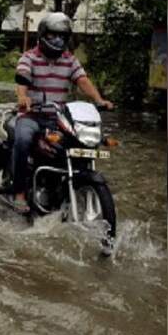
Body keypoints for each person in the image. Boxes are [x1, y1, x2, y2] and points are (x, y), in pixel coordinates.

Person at [10, 12, 113, 212]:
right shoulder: (29, 57)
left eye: (62, 36)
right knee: (22, 139)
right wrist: (23, 98)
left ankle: (70, 187)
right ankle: (20, 192)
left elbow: (83, 81)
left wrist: (99, 100)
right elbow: (21, 78)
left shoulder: (70, 60)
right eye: (52, 35)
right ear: (42, 35)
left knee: (81, 143)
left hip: (58, 119)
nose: (57, 40)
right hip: (32, 115)